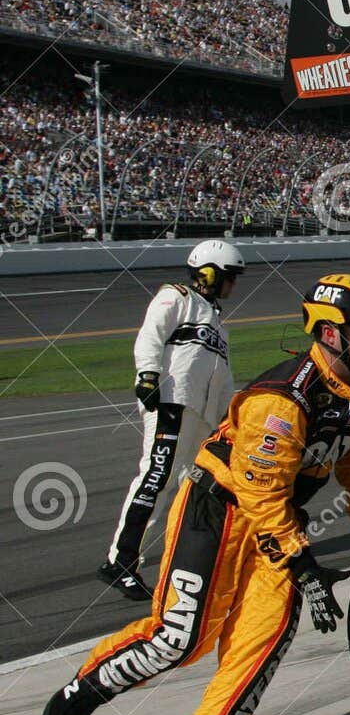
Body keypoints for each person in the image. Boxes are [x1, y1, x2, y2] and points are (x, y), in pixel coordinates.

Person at [40, 275, 350, 715]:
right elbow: (260, 492)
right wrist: (304, 566)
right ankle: (91, 684)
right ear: (329, 333)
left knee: (266, 635)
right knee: (181, 638)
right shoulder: (282, 398)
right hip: (218, 509)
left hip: (275, 520)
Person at [101, 240, 244, 600]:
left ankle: (192, 559)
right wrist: (148, 375)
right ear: (209, 274)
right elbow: (151, 333)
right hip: (173, 404)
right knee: (157, 478)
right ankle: (120, 562)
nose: (233, 284)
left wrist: (227, 415)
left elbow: (222, 375)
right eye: (230, 276)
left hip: (203, 416)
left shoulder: (216, 320)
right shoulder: (177, 297)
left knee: (197, 486)